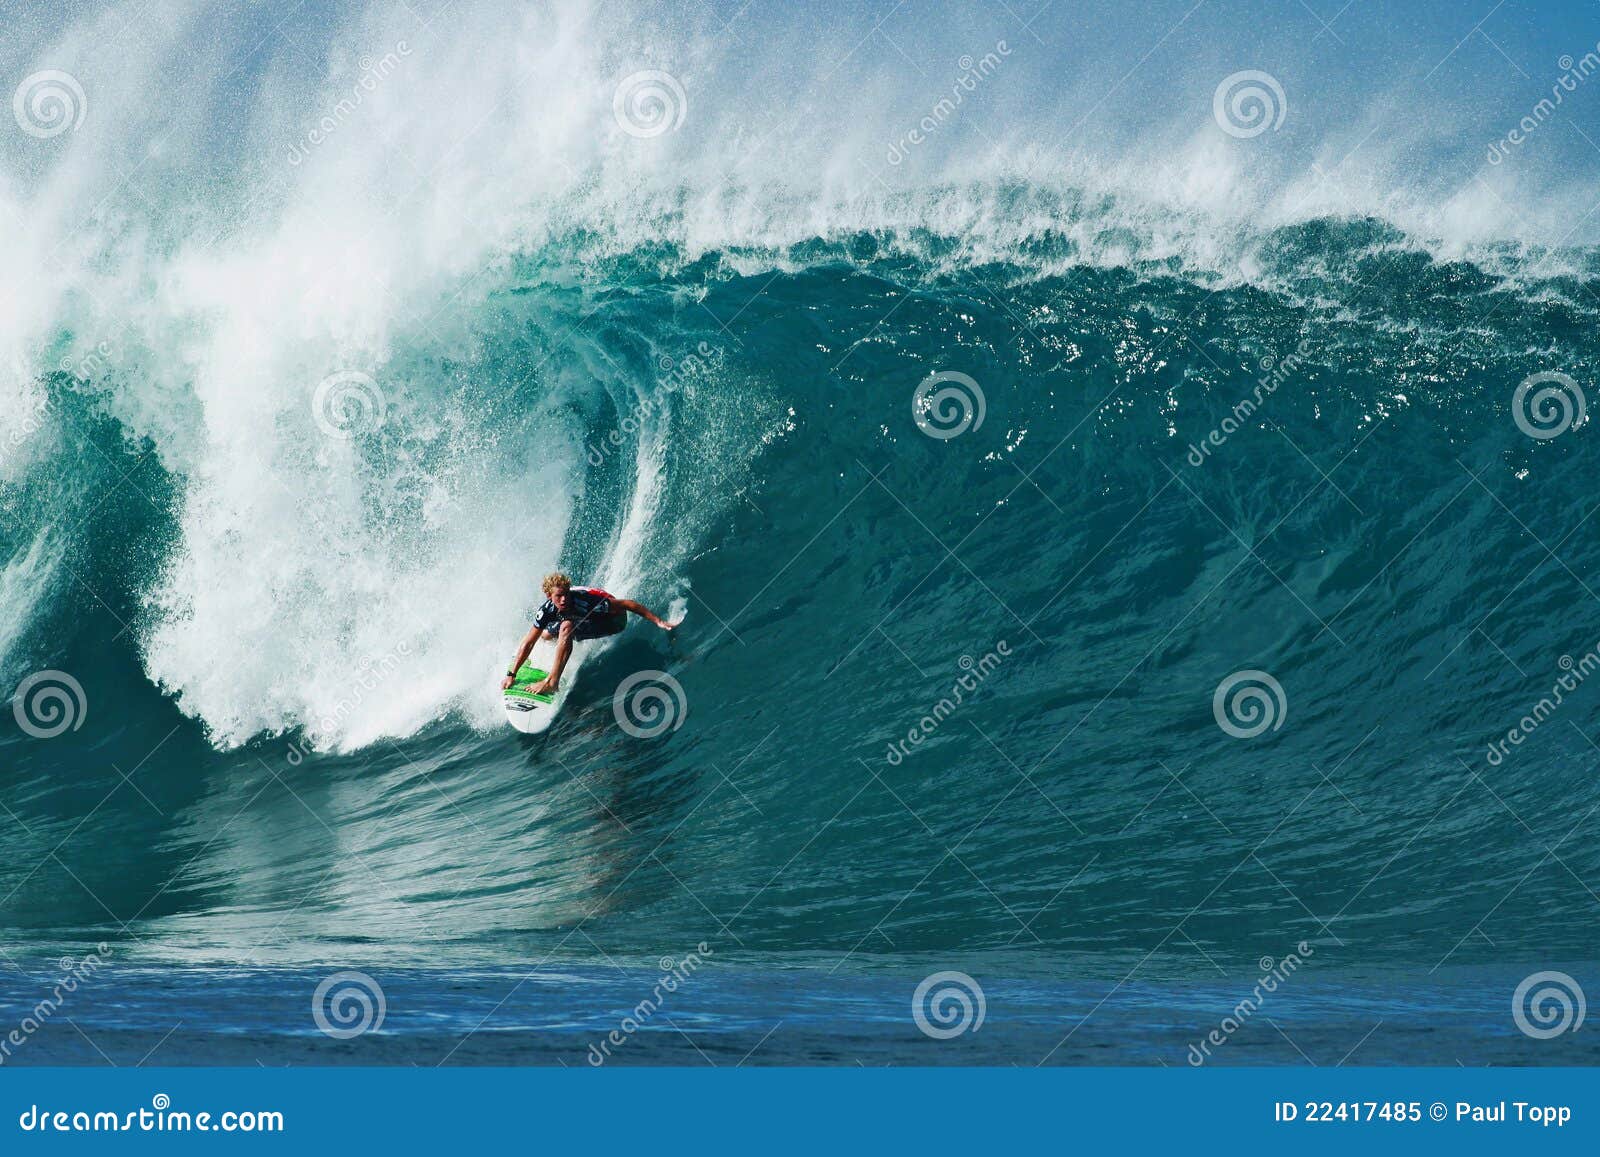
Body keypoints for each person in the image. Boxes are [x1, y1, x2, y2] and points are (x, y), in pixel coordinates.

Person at [501, 572, 679, 695]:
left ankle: (552, 682)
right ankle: (557, 657)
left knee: (566, 628)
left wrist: (658, 621)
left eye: (566, 594)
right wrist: (511, 674)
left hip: (612, 622)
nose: (563, 599)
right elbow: (529, 642)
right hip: (583, 620)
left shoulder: (587, 602)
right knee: (545, 636)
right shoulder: (546, 609)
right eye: (558, 596)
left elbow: (628, 604)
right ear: (549, 596)